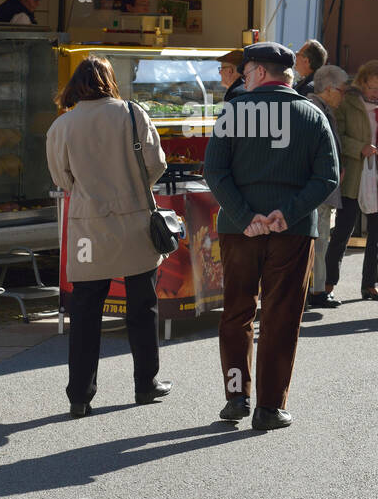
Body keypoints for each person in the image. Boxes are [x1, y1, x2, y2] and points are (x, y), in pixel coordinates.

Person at [203, 41, 338, 430]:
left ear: (259, 73)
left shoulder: (233, 111)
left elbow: (215, 171)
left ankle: (236, 397)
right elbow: (327, 177)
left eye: (245, 73)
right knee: (281, 317)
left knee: (236, 312)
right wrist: (288, 212)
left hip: (239, 230)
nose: (243, 79)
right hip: (292, 232)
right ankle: (269, 407)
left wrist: (245, 216)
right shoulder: (312, 114)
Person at [46, 56, 172, 417]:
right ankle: (146, 384)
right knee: (142, 306)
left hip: (88, 226)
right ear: (110, 81)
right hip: (134, 222)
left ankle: (80, 396)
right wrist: (133, 188)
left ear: (75, 84)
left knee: (85, 311)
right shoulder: (133, 114)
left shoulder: (63, 125)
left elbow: (61, 179)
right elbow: (157, 164)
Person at [323, 59, 378, 302]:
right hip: (354, 173)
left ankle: (371, 284)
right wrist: (360, 148)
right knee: (343, 229)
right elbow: (336, 136)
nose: (377, 93)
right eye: (372, 88)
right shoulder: (348, 102)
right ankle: (328, 283)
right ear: (362, 84)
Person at [305, 64, 347, 307]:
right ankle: (315, 291)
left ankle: (317, 289)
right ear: (329, 89)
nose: (343, 95)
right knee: (318, 241)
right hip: (317, 188)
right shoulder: (314, 110)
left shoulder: (323, 109)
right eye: (342, 90)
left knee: (321, 240)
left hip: (321, 186)